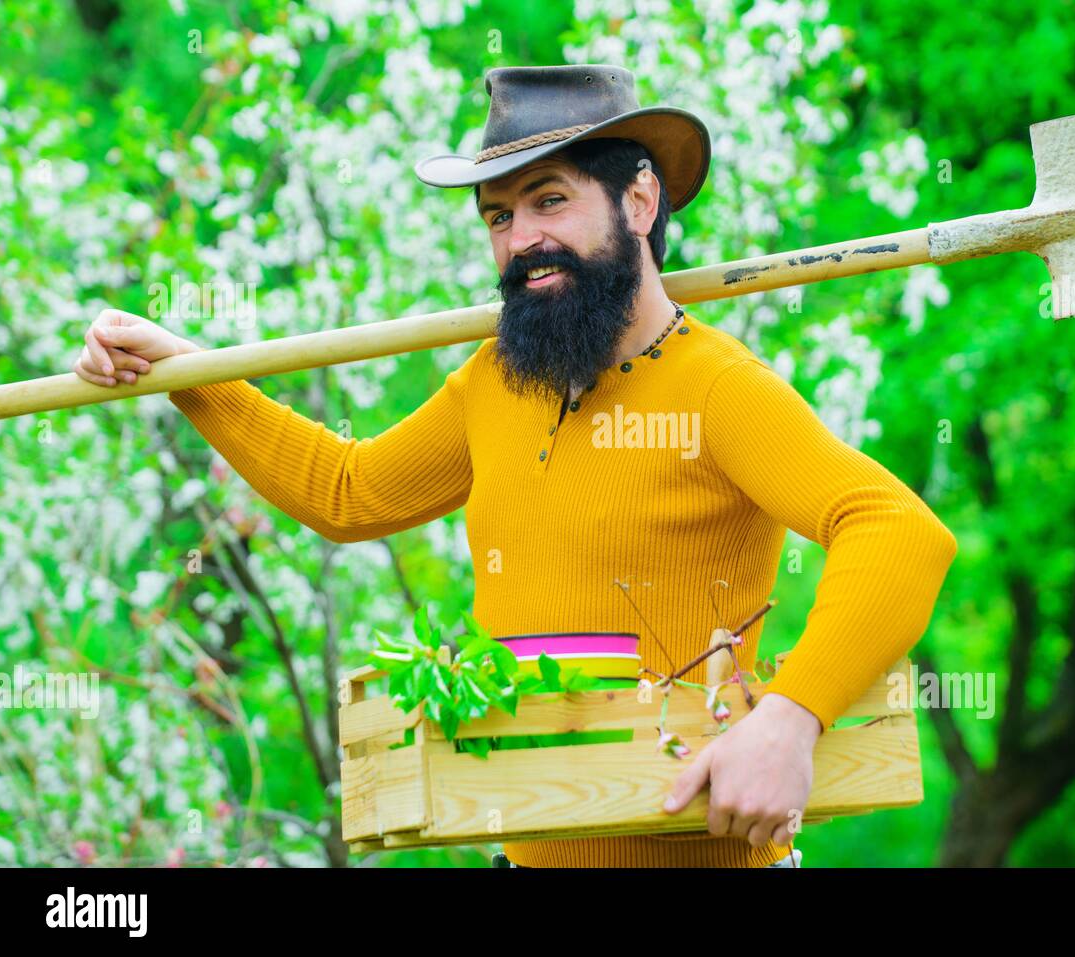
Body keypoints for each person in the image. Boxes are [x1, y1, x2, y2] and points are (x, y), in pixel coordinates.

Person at [72, 64, 957, 868]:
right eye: (499, 216)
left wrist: (792, 717)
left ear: (639, 202)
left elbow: (898, 531)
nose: (520, 240)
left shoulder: (722, 389)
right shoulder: (494, 382)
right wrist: (188, 371)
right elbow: (345, 492)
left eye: (549, 202)